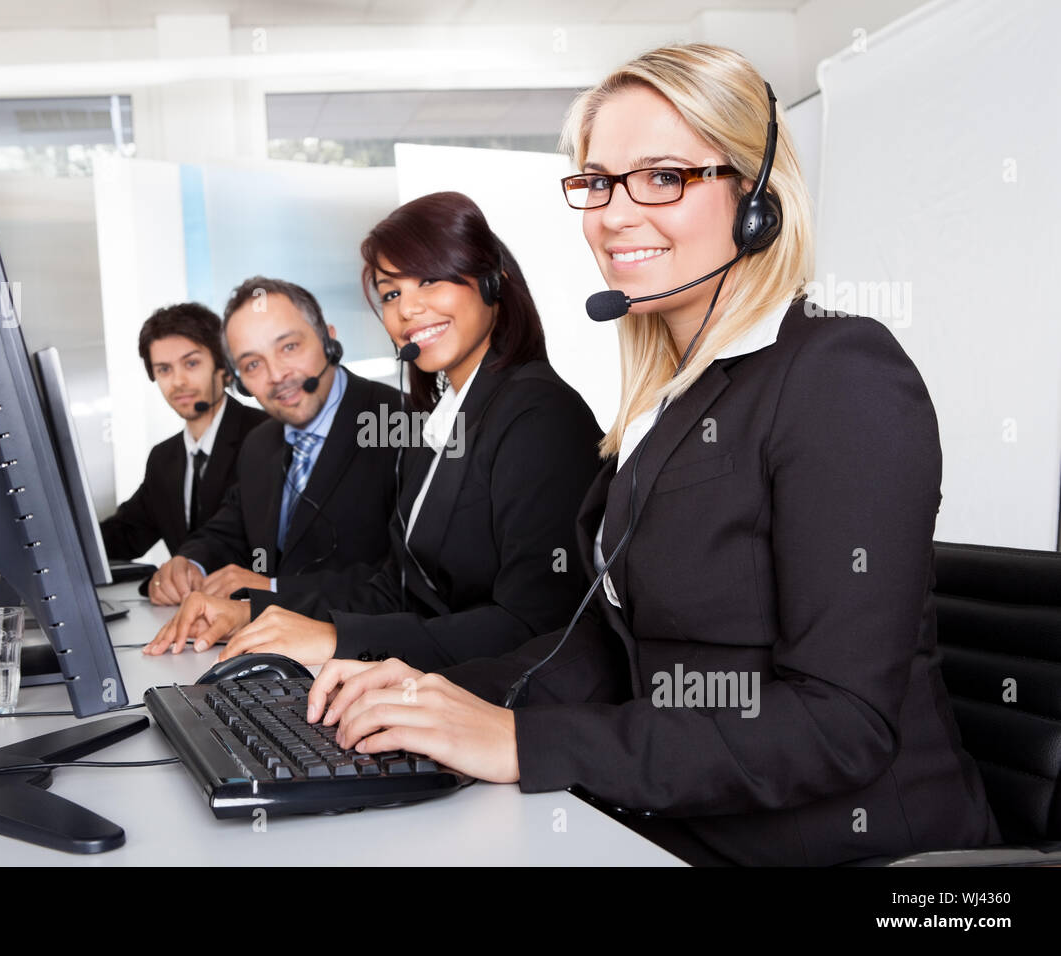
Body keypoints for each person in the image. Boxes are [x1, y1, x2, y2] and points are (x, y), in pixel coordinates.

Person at [297, 44, 1001, 867]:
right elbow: (601, 646)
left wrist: (528, 743)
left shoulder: (839, 375)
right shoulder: (664, 406)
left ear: (755, 199)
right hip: (675, 821)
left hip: (850, 851)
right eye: (597, 181)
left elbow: (839, 724)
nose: (615, 214)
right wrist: (441, 696)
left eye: (662, 175)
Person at [144, 192, 604, 672]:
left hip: (496, 713)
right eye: (391, 293)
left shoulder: (539, 416)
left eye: (429, 279)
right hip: (435, 684)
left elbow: (539, 628)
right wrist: (250, 612)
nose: (408, 310)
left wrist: (338, 641)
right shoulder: (447, 418)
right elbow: (398, 588)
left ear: (492, 282)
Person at [145, 276, 402, 607]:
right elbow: (228, 530)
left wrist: (275, 589)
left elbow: (406, 581)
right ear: (240, 381)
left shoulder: (401, 424)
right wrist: (188, 563)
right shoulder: (260, 443)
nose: (276, 374)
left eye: (289, 347)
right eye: (253, 364)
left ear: (328, 339)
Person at [100, 302, 268, 572]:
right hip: (188, 608)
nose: (177, 381)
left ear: (223, 365)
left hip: (257, 608)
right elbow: (127, 534)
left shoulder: (265, 437)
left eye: (191, 363)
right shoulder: (164, 458)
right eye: (164, 369)